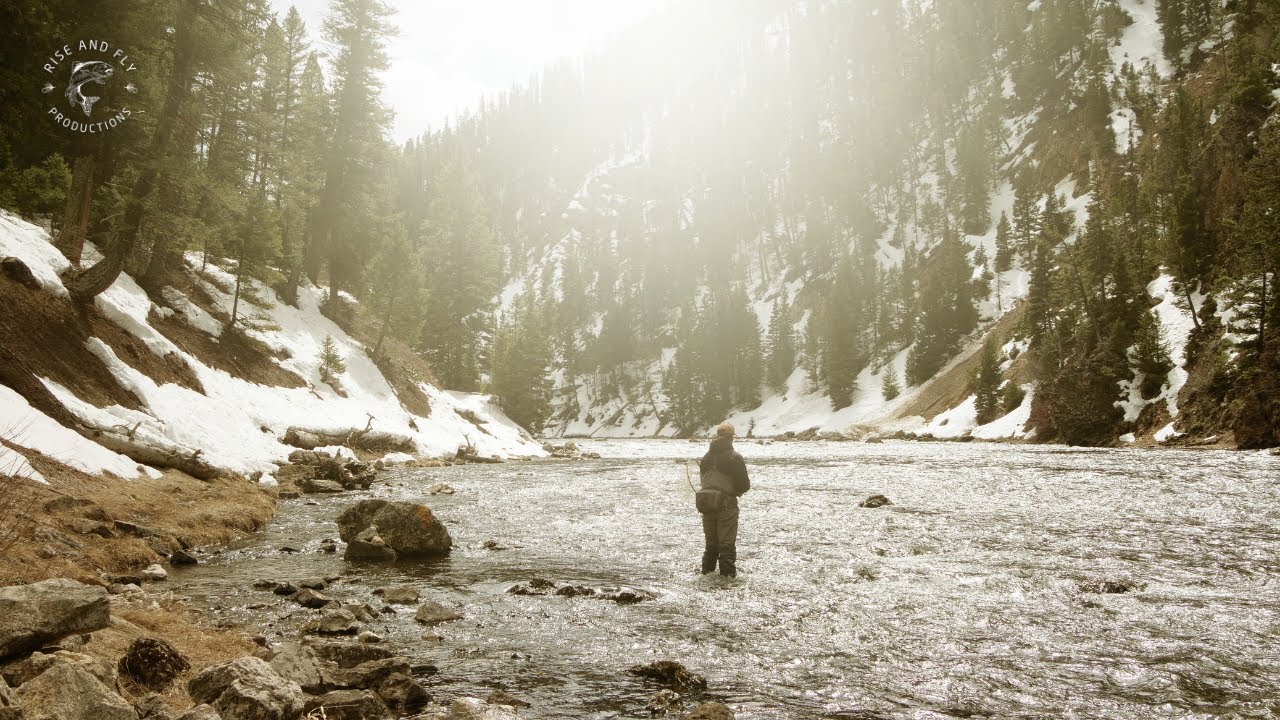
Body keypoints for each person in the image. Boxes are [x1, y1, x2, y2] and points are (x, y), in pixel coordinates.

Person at [699, 422, 750, 577]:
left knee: (711, 547)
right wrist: (737, 492)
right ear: (730, 437)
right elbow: (745, 485)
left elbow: (703, 481)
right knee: (726, 547)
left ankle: (705, 577)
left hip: (706, 505)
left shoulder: (705, 458)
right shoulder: (734, 457)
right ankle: (726, 585)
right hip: (727, 506)